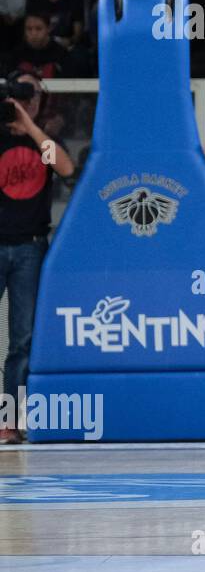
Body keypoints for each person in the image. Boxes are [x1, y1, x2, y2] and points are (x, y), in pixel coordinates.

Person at [0, 71, 74, 444]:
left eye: (32, 94)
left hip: (30, 246)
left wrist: (29, 124)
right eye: (20, 93)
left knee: (22, 339)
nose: (26, 99)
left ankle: (9, 421)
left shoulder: (41, 141)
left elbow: (65, 167)